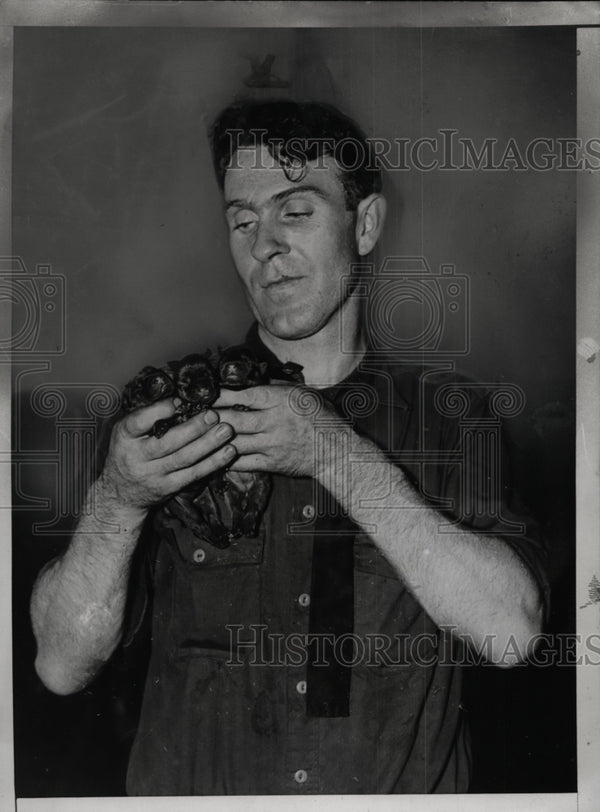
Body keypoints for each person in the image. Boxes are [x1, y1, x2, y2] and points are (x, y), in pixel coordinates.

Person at [30, 99, 549, 795]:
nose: (264, 244)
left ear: (363, 224)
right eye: (242, 221)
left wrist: (332, 452)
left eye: (295, 211)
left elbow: (511, 634)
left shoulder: (453, 419)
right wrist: (118, 502)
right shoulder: (165, 415)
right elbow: (61, 665)